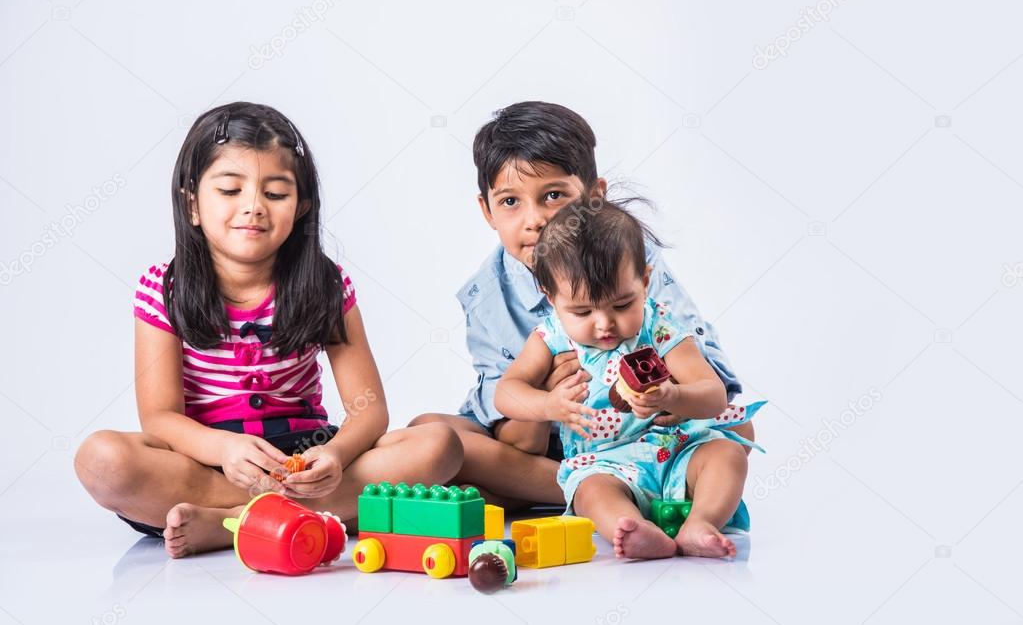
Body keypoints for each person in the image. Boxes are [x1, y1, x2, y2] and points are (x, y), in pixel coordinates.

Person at [74, 102, 463, 557]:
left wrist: (334, 455)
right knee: (101, 459)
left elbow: (369, 409)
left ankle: (229, 524)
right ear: (193, 204)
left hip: (305, 460)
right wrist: (223, 449)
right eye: (230, 190)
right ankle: (279, 516)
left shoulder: (325, 283)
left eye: (275, 194)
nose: (253, 207)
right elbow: (160, 418)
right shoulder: (162, 289)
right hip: (210, 464)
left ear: (300, 208)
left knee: (440, 446)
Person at [411, 101, 750, 508]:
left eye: (553, 195)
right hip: (547, 445)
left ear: (594, 198)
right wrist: (543, 393)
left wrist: (658, 391)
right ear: (487, 211)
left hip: (645, 434)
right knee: (429, 432)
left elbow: (712, 380)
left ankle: (598, 486)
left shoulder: (632, 263)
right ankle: (617, 487)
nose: (534, 219)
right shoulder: (486, 297)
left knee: (740, 429)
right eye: (510, 202)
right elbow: (511, 430)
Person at [496, 200, 764, 559]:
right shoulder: (551, 337)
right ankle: (633, 528)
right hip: (606, 462)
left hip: (679, 450)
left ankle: (701, 522)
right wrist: (547, 404)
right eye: (582, 311)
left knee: (728, 454)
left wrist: (672, 395)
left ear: (645, 281)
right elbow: (506, 392)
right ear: (551, 296)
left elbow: (714, 395)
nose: (604, 324)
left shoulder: (660, 327)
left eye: (622, 305)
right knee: (589, 491)